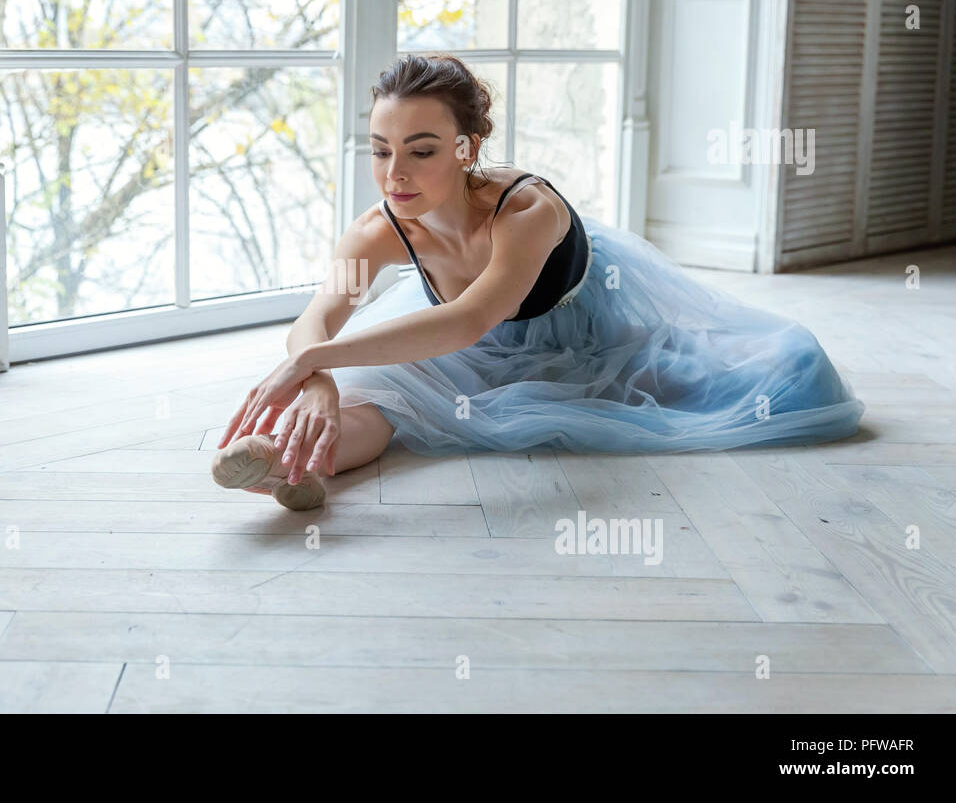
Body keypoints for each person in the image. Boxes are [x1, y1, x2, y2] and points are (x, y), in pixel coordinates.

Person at [212, 53, 864, 510]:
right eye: (381, 148)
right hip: (461, 342)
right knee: (381, 403)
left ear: (466, 148)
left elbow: (469, 319)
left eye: (422, 149)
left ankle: (293, 456)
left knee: (773, 376)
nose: (394, 173)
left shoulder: (526, 211)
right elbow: (317, 317)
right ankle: (281, 463)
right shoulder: (378, 229)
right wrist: (319, 376)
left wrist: (315, 360)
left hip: (582, 329)